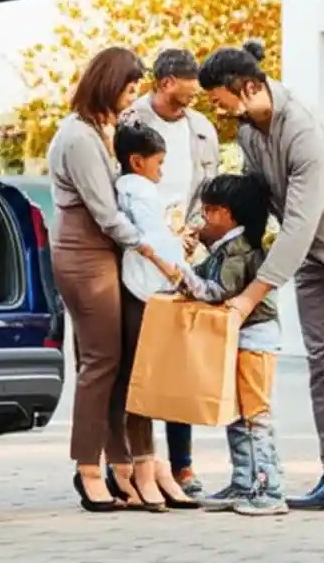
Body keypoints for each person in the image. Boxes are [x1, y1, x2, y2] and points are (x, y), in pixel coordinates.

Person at [196, 40, 324, 519]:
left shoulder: (305, 131)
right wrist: (208, 236)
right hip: (312, 256)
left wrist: (250, 296)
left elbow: (299, 221)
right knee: (322, 365)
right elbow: (256, 205)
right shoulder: (249, 133)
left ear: (247, 88)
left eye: (218, 97)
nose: (215, 107)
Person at [46, 46, 163, 513]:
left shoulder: (97, 130)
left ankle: (121, 465)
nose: (133, 97)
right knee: (99, 364)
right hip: (84, 253)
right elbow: (106, 213)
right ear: (109, 84)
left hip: (101, 252)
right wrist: (153, 248)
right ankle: (87, 469)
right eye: (129, 88)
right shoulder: (77, 137)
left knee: (117, 363)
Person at [122, 48, 220, 496]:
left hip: (185, 255)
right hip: (140, 257)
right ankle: (131, 462)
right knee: (139, 362)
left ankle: (182, 465)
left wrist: (194, 234)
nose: (194, 99)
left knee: (179, 360)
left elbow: (208, 188)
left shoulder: (202, 130)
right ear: (164, 84)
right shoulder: (130, 120)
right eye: (186, 92)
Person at [174, 174, 286, 516]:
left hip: (255, 338)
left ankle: (269, 489)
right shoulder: (228, 246)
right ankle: (243, 482)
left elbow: (215, 290)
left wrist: (177, 271)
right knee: (238, 416)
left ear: (228, 215)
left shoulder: (240, 250)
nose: (203, 218)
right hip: (240, 337)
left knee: (255, 416)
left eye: (209, 211)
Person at [108, 121, 202, 510]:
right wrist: (183, 274)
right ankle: (142, 467)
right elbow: (156, 241)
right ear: (137, 161)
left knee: (137, 380)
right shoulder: (141, 192)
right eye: (159, 162)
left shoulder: (127, 191)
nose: (162, 171)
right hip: (147, 292)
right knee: (141, 382)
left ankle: (145, 463)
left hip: (138, 288)